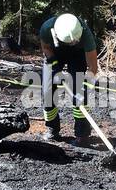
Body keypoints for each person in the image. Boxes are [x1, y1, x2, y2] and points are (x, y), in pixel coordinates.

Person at [38, 13, 99, 141]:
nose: (72, 42)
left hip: (77, 54)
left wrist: (85, 88)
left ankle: (82, 134)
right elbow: (45, 47)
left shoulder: (86, 35)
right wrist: (54, 63)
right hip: (55, 52)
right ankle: (52, 129)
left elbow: (92, 67)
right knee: (47, 91)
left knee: (79, 90)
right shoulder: (47, 28)